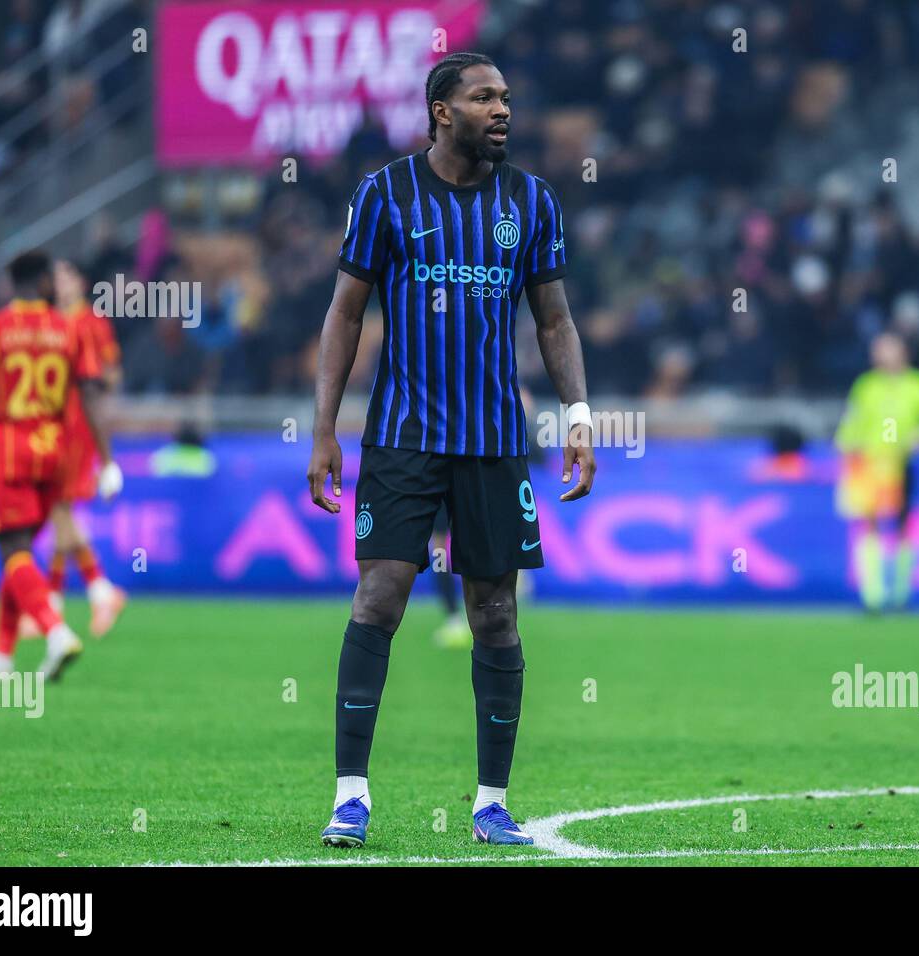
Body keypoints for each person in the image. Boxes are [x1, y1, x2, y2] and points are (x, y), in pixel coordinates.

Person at [306, 53, 596, 849]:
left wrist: (577, 412)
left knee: (494, 611)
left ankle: (492, 803)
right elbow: (344, 315)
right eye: (483, 97)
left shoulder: (531, 201)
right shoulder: (385, 195)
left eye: (506, 96)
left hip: (496, 440)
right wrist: (325, 427)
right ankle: (351, 797)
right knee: (380, 599)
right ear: (443, 111)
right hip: (402, 436)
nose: (502, 109)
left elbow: (554, 321)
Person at [0, 250, 123, 679]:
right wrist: (106, 461)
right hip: (54, 453)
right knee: (22, 556)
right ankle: (1, 656)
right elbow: (90, 394)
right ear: (45, 282)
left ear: (12, 284)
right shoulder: (69, 331)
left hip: (8, 450)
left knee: (14, 553)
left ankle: (54, 629)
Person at [16, 259, 127, 639]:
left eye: (67, 276)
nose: (60, 284)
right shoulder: (47, 323)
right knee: (59, 512)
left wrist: (92, 389)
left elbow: (111, 375)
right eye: (55, 278)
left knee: (60, 507)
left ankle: (65, 600)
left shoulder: (92, 323)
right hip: (48, 428)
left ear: (80, 282)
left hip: (78, 430)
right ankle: (84, 595)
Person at [835, 333, 919, 611]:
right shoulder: (866, 386)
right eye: (876, 350)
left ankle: (901, 592)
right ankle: (873, 594)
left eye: (885, 349)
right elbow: (851, 422)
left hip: (903, 465)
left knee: (903, 526)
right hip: (870, 465)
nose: (879, 355)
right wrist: (845, 446)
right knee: (869, 523)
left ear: (902, 352)